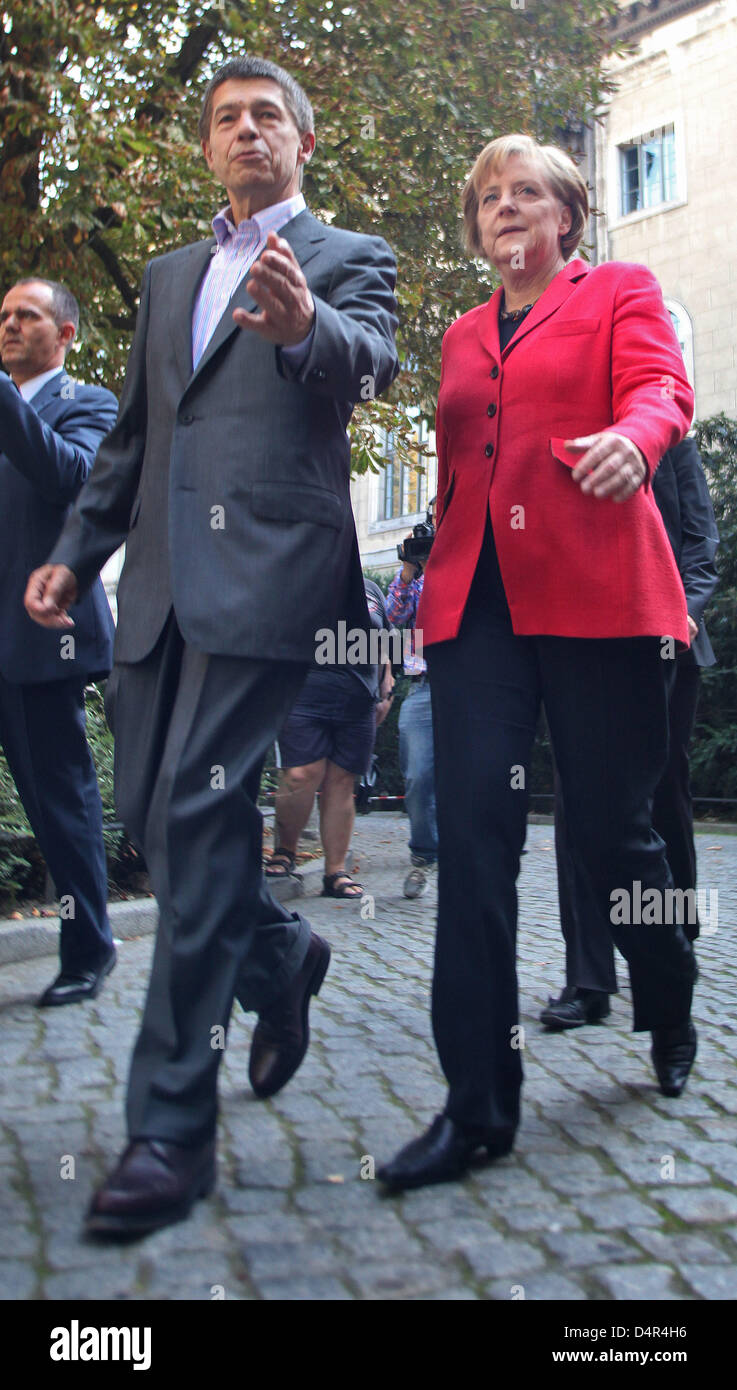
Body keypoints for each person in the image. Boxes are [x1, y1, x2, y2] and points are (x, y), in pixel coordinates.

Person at [25, 55, 399, 1236]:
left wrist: (308, 330)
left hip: (275, 581)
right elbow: (134, 439)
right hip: (161, 596)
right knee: (148, 811)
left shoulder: (343, 257)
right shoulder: (168, 273)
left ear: (301, 138)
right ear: (206, 146)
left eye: (267, 116)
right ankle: (279, 953)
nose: (246, 130)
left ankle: (168, 1130)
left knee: (193, 810)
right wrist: (76, 556)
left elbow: (371, 358)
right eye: (226, 117)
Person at [378, 133, 698, 1193]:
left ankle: (663, 990)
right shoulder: (463, 335)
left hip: (599, 593)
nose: (501, 207)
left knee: (613, 837)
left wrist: (634, 442)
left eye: (524, 192)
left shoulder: (618, 291)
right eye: (485, 197)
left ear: (563, 215)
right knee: (473, 843)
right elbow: (457, 465)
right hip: (477, 611)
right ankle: (475, 1106)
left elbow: (660, 391)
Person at [541, 434, 719, 1029]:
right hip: (586, 638)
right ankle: (588, 979)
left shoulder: (676, 448)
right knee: (576, 801)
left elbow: (701, 544)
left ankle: (671, 951)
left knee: (662, 798)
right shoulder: (571, 435)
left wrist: (685, 610)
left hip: (670, 639)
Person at [0, 277, 117, 1007]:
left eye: (27, 315)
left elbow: (73, 477)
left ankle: (88, 948)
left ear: (65, 333)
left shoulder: (90, 404)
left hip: (45, 641)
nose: (10, 324)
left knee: (59, 806)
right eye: (3, 315)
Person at [265, 579, 394, 898]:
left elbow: (384, 640)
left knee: (343, 781)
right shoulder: (299, 574)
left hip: (358, 698)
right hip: (303, 693)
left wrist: (386, 685)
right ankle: (285, 850)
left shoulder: (370, 589)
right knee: (300, 774)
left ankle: (335, 871)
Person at [385, 498, 439, 898]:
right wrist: (408, 571)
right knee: (418, 774)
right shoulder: (417, 573)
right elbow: (393, 618)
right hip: (425, 685)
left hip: (471, 683)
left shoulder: (475, 552)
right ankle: (423, 855)